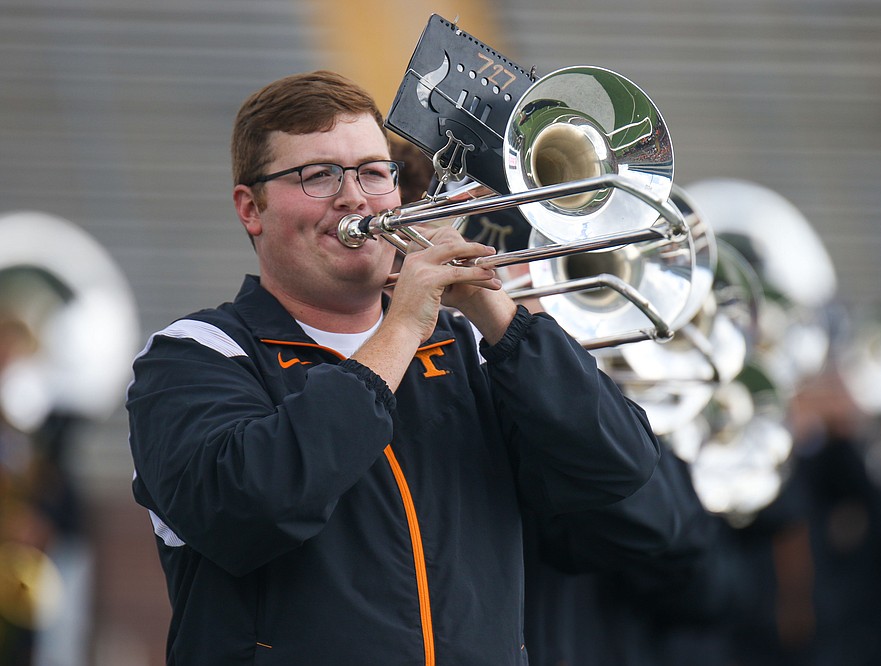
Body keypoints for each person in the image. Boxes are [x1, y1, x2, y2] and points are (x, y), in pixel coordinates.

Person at [126, 70, 660, 665]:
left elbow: (620, 469)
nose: (354, 197)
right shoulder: (196, 353)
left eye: (374, 173)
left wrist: (499, 315)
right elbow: (249, 506)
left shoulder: (468, 349)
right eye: (318, 174)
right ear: (251, 208)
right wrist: (401, 327)